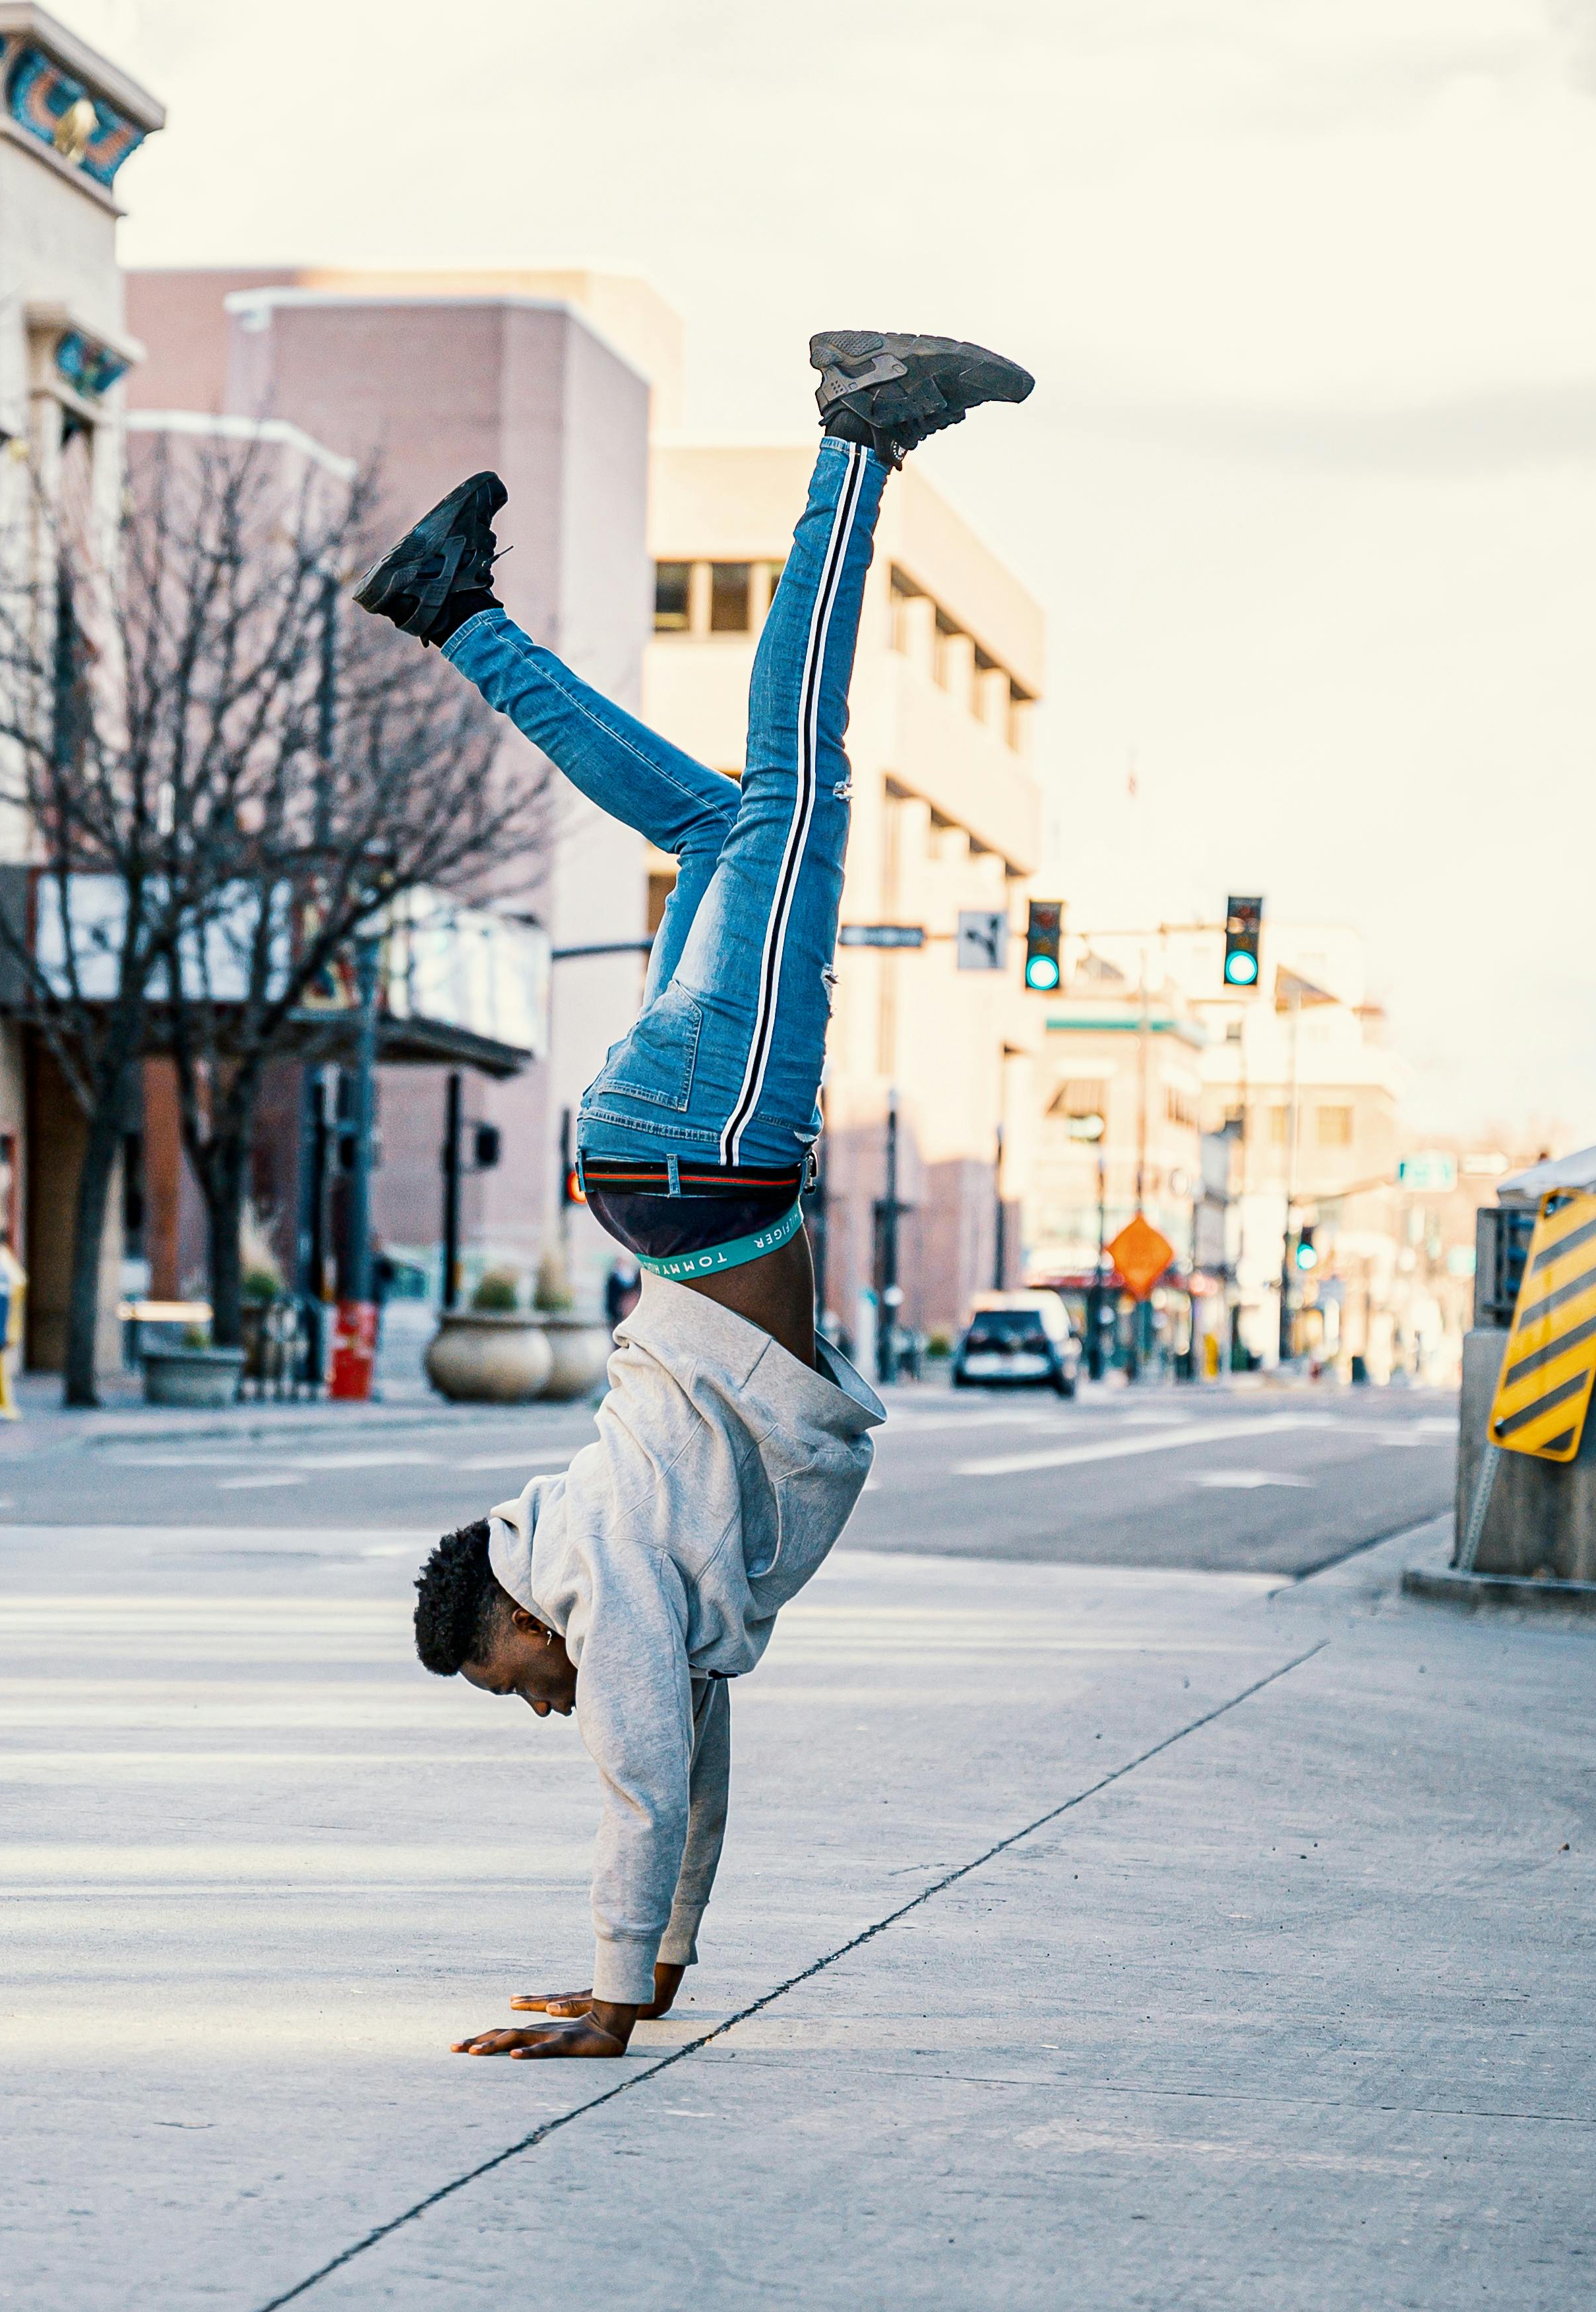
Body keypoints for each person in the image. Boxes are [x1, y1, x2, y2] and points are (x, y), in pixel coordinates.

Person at [356, 331, 1033, 2055]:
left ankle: (853, 441)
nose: (536, 1702)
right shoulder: (616, 1558)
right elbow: (697, 1775)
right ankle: (455, 618)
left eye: (505, 1679)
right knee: (742, 819)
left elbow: (637, 1774)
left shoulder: (611, 1580)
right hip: (664, 1162)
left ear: (508, 1615)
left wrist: (598, 1994)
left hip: (702, 1157)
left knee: (795, 784)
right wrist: (648, 1970)